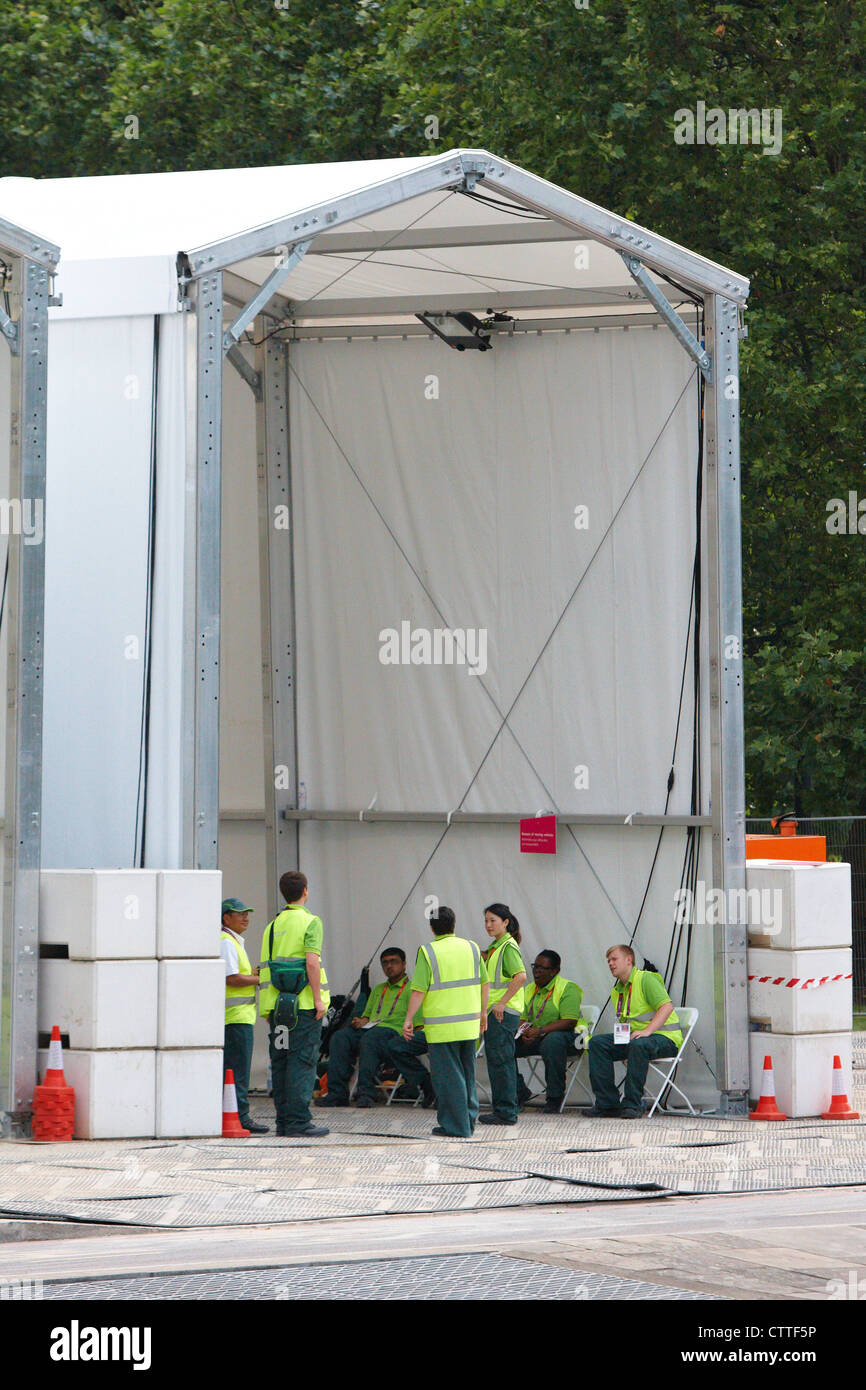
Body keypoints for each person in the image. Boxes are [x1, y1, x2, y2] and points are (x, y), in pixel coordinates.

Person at [402, 905, 488, 1138]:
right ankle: (468, 1122)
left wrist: (409, 1018)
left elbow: (419, 990)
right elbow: (485, 982)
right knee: (467, 1074)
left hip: (442, 1027)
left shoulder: (428, 952)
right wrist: (483, 1013)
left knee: (449, 1078)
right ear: (454, 924)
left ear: (432, 928)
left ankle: (456, 1126)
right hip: (469, 1024)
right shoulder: (471, 948)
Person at [258, 870, 330, 1138]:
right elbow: (312, 962)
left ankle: (283, 1122)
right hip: (302, 1009)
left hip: (277, 1011)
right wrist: (319, 999)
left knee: (282, 1061)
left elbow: (266, 969)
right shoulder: (311, 922)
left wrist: (267, 1008)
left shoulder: (272, 927)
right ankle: (299, 1122)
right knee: (302, 1061)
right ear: (305, 891)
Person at [317, 947, 433, 1108]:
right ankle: (337, 1094)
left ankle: (366, 1093)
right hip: (370, 1030)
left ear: (404, 964)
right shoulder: (379, 989)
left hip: (392, 1034)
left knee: (371, 1038)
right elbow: (367, 1017)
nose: (389, 966)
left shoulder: (413, 989)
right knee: (340, 1037)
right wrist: (361, 1021)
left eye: (394, 962)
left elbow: (418, 1025)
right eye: (385, 963)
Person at [588, 943, 682, 1118]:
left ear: (629, 960)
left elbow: (666, 1007)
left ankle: (633, 1103)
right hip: (636, 1038)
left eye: (614, 959)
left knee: (638, 1045)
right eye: (608, 960)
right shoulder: (618, 990)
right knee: (597, 1043)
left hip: (664, 1037)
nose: (610, 963)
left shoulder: (646, 979)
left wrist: (647, 1031)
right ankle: (607, 1104)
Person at [515, 950, 587, 1113]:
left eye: (542, 968)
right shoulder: (529, 989)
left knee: (553, 1041)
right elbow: (523, 1017)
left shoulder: (568, 988)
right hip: (539, 1036)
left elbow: (570, 1021)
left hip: (572, 1038)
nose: (536, 971)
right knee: (504, 1042)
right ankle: (518, 1091)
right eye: (535, 966)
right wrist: (524, 1031)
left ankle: (554, 1097)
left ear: (554, 971)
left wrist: (539, 1031)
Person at [220, 897, 269, 1134]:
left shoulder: (233, 941)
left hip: (238, 1017)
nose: (246, 917)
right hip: (235, 1018)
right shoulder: (227, 942)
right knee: (237, 1072)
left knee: (235, 1071)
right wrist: (261, 979)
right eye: (240, 913)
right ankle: (241, 1117)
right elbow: (231, 978)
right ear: (226, 917)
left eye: (247, 913)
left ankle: (236, 1114)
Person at [477, 903, 527, 1127]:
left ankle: (505, 1112)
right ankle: (505, 1109)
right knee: (500, 1061)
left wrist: (501, 1003)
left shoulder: (508, 947)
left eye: (493, 920)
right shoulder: (498, 945)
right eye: (486, 920)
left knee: (501, 1061)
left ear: (505, 922)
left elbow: (521, 976)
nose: (488, 925)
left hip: (503, 1012)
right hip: (498, 1011)